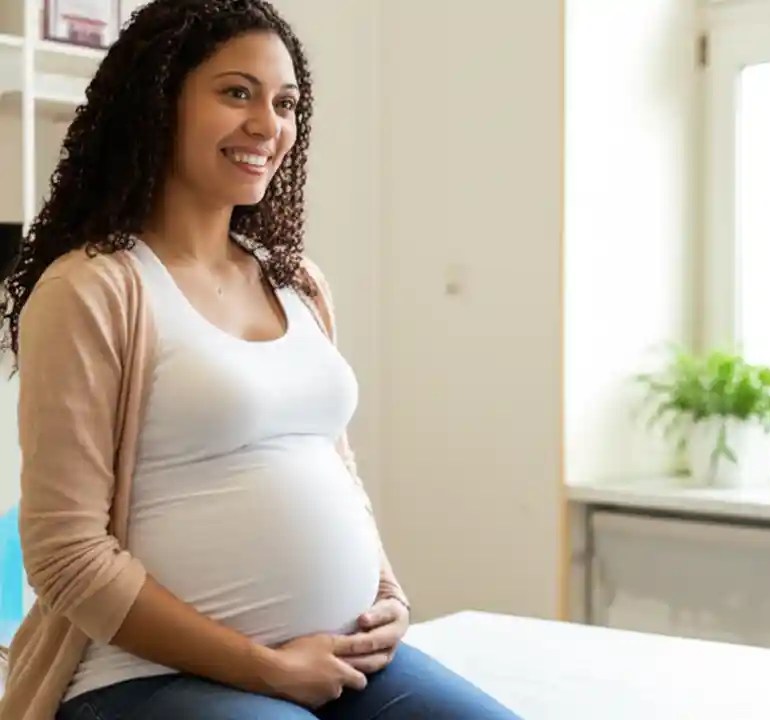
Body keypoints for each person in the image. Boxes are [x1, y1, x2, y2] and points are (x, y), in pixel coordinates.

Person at [0, 1, 519, 718]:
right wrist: (267, 669)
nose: (266, 125)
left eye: (285, 103)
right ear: (158, 102)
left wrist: (388, 596)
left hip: (336, 656)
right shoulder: (92, 288)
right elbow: (67, 555)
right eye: (235, 92)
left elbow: (335, 470)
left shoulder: (296, 280)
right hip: (143, 675)